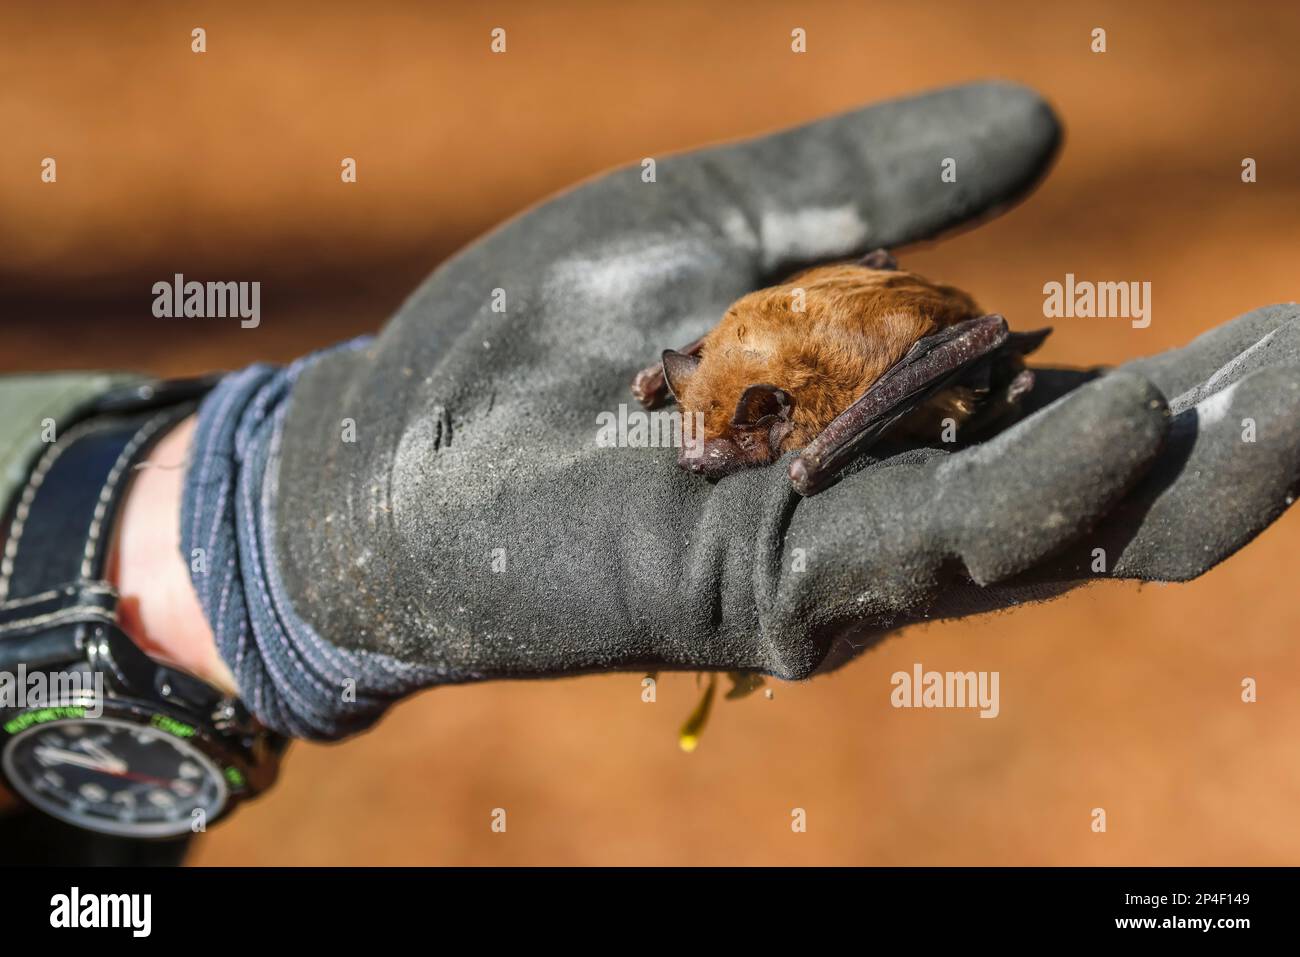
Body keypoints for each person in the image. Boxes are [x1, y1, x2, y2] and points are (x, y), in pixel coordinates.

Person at [3, 81, 1298, 860]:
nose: (704, 455)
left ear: (792, 413)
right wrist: (258, 526)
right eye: (697, 421)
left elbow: (858, 386)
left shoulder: (818, 399)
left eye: (737, 439)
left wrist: (182, 522)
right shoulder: (717, 373)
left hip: (911, 353)